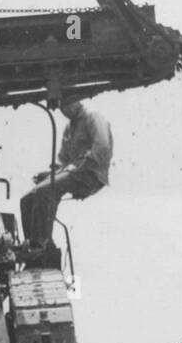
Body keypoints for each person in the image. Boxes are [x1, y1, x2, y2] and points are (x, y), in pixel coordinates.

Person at [20, 98, 113, 248]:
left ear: (79, 100)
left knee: (44, 192)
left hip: (91, 175)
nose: (65, 109)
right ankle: (31, 244)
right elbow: (63, 162)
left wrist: (80, 165)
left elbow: (103, 148)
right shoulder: (69, 129)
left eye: (68, 103)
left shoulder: (93, 118)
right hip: (74, 173)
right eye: (61, 107)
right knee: (28, 198)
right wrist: (49, 174)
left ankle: (42, 245)